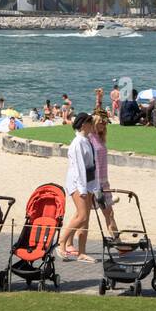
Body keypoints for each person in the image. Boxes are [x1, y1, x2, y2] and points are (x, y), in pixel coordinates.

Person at [58, 112, 98, 261]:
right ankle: (62, 242)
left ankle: (81, 252)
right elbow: (79, 167)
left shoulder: (87, 140)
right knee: (81, 216)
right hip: (77, 183)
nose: (92, 125)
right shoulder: (78, 143)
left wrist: (94, 186)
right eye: (90, 123)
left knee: (84, 218)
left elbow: (91, 165)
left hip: (87, 182)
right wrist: (82, 189)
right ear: (83, 124)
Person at [90, 110, 118, 236]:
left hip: (103, 181)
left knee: (109, 213)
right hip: (94, 182)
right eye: (101, 122)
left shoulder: (100, 138)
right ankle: (65, 243)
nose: (103, 125)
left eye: (105, 123)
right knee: (81, 218)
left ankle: (118, 243)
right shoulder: (89, 138)